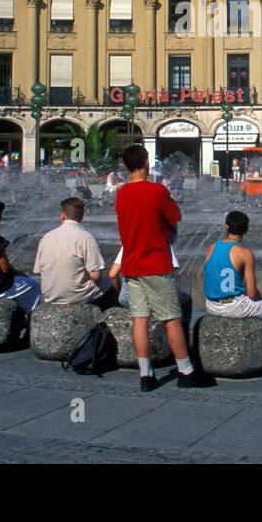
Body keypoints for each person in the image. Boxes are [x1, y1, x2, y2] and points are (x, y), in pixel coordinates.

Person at [114, 144, 210, 391]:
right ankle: (186, 371)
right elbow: (175, 217)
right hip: (157, 263)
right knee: (172, 319)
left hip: (131, 266)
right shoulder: (157, 191)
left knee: (140, 319)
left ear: (126, 166)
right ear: (146, 163)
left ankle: (146, 375)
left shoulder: (122, 193)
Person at [201, 210, 262, 378]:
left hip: (211, 304)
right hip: (234, 306)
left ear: (226, 227)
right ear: (246, 230)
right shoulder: (245, 253)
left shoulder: (212, 247)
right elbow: (252, 292)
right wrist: (261, 300)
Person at [33, 196, 118, 309]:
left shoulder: (46, 237)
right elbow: (96, 276)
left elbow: (38, 271)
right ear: (81, 216)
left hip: (50, 295)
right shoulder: (85, 238)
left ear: (62, 216)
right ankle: (108, 315)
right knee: (111, 281)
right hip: (76, 296)